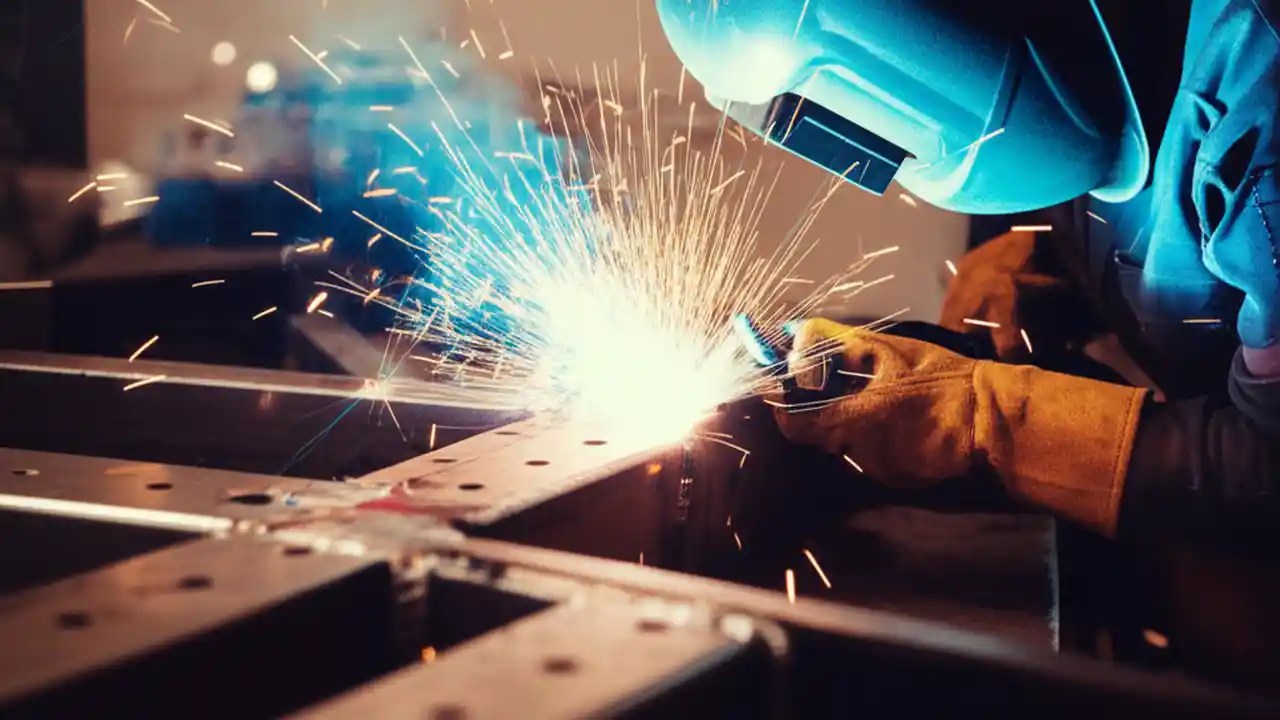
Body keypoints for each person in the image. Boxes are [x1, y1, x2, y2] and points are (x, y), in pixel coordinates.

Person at [659, 0, 1279, 681]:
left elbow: (1265, 470)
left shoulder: (1260, 121)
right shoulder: (1072, 64)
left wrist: (977, 414)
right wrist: (1054, 261)